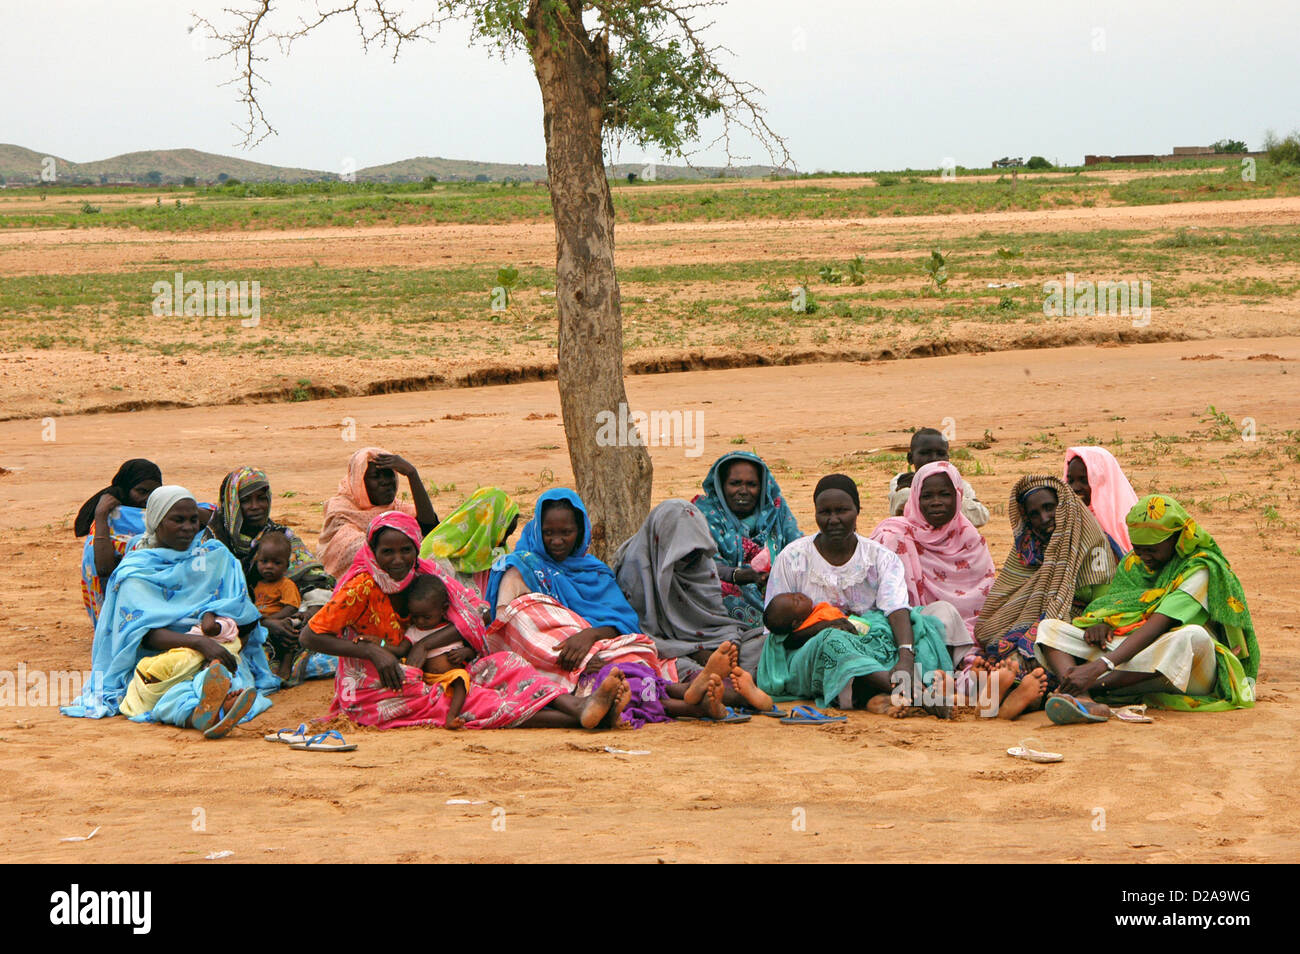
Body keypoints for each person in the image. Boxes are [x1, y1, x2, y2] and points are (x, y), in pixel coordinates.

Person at [303, 510, 629, 730]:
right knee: (474, 700)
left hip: (433, 666)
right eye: (387, 552)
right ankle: (580, 716)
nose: (397, 560)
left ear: (417, 549)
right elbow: (310, 636)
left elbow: (472, 613)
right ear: (373, 552)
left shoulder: (424, 575)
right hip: (378, 683)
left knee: (507, 666)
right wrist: (372, 652)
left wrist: (426, 644)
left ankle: (576, 705)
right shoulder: (361, 586)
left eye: (406, 550)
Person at [486, 490, 765, 724]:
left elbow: (624, 621)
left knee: (632, 661)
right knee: (627, 668)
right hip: (559, 657)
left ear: (581, 531)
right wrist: (584, 656)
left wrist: (591, 636)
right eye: (548, 533)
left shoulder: (594, 571)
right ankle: (694, 699)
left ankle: (699, 694)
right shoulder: (522, 569)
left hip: (605, 647)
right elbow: (514, 625)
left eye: (567, 532)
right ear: (537, 530)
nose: (557, 541)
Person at [62, 486, 278, 738]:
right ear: (156, 521)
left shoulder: (214, 556)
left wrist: (219, 638)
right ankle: (205, 710)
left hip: (217, 649)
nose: (188, 527)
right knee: (162, 688)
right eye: (178, 520)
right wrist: (199, 644)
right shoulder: (137, 570)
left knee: (215, 674)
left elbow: (241, 610)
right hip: (160, 656)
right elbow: (140, 633)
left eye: (193, 520)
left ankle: (209, 707)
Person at [1036, 495, 1259, 721]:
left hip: (1188, 672)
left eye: (1151, 550)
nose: (1144, 557)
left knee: (1193, 636)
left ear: (1176, 538)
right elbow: (1117, 604)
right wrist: (1104, 622)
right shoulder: (1134, 563)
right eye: (1138, 549)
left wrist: (1099, 668)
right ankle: (1082, 698)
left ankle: (1088, 687)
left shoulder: (1200, 569)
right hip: (1138, 663)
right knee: (1049, 628)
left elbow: (1158, 624)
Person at [759, 474, 956, 717]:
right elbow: (778, 637)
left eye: (842, 511)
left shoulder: (880, 557)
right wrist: (826, 627)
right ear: (815, 513)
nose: (833, 520)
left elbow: (896, 608)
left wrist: (905, 654)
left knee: (924, 625)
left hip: (871, 641)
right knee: (833, 641)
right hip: (812, 654)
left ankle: (877, 693)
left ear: (857, 510)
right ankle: (912, 692)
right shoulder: (793, 558)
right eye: (825, 512)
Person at [972, 475, 1117, 718]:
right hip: (1036, 620)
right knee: (1010, 651)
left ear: (1065, 506)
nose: (1044, 518)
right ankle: (1008, 695)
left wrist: (1097, 621)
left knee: (1038, 649)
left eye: (1049, 508)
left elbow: (1104, 600)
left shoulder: (1093, 543)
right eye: (1034, 514)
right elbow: (1008, 597)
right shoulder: (1029, 548)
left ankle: (1015, 696)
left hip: (1079, 625)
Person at [613, 498, 768, 678]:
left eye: (698, 551)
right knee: (675, 670)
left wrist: (729, 645)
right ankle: (712, 678)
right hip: (666, 649)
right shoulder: (636, 570)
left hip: (711, 640)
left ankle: (722, 673)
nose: (693, 557)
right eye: (685, 552)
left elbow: (715, 620)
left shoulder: (700, 560)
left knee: (767, 644)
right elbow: (641, 634)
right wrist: (697, 653)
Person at [209, 466, 336, 684]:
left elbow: (315, 579)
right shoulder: (215, 542)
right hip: (237, 623)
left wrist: (309, 614)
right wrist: (265, 624)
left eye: (261, 498)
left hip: (284, 617)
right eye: (246, 500)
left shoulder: (280, 537)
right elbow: (212, 597)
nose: (256, 506)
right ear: (233, 503)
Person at [870, 460, 996, 666]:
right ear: (915, 497)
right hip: (906, 629)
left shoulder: (970, 539)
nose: (936, 502)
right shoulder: (893, 536)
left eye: (944, 494)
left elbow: (985, 603)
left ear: (958, 496)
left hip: (969, 633)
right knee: (942, 616)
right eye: (927, 496)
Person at [692, 451, 802, 630]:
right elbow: (703, 566)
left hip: (779, 593)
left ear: (763, 487)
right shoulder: (703, 514)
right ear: (721, 485)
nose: (743, 491)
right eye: (735, 483)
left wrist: (776, 579)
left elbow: (798, 550)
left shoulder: (776, 511)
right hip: (727, 595)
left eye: (752, 485)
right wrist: (742, 576)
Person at [318, 447, 440, 579]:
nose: (386, 482)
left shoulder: (397, 508)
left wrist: (412, 474)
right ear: (359, 481)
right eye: (375, 476)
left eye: (389, 474)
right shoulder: (341, 511)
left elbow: (429, 528)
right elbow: (355, 549)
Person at [74, 458, 163, 625]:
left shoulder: (164, 514)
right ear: (126, 489)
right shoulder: (109, 519)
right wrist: (100, 515)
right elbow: (103, 568)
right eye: (141, 491)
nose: (148, 499)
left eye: (154, 493)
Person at [418, 486, 519, 597]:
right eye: (502, 536)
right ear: (484, 529)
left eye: (507, 537)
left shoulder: (496, 551)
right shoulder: (437, 552)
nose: (504, 543)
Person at [888, 428, 989, 527]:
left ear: (947, 459)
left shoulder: (961, 485)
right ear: (910, 458)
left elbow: (980, 517)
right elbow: (899, 503)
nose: (934, 459)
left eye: (941, 454)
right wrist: (951, 499)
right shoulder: (901, 480)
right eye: (925, 453)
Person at [1064, 446, 1139, 558]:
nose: (1074, 487)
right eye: (1070, 480)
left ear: (1102, 482)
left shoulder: (1122, 521)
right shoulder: (1065, 517)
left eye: (1084, 480)